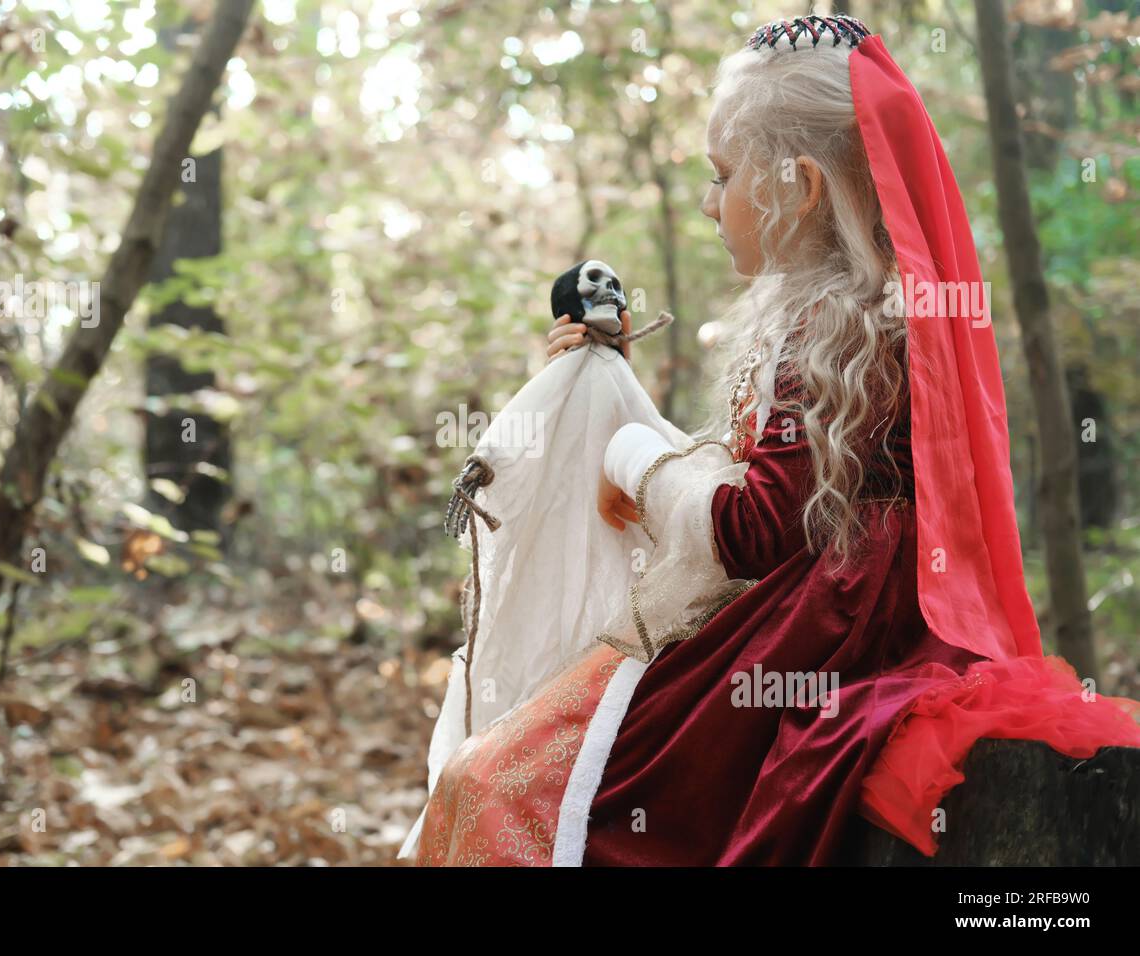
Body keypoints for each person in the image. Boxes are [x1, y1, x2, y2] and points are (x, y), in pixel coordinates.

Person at [402, 14, 1140, 867]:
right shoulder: (852, 312)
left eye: (723, 175)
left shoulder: (831, 323)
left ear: (801, 186)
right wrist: (608, 404)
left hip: (816, 626)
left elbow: (752, 528)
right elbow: (771, 483)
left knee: (500, 783)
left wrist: (633, 456)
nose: (710, 201)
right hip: (834, 608)